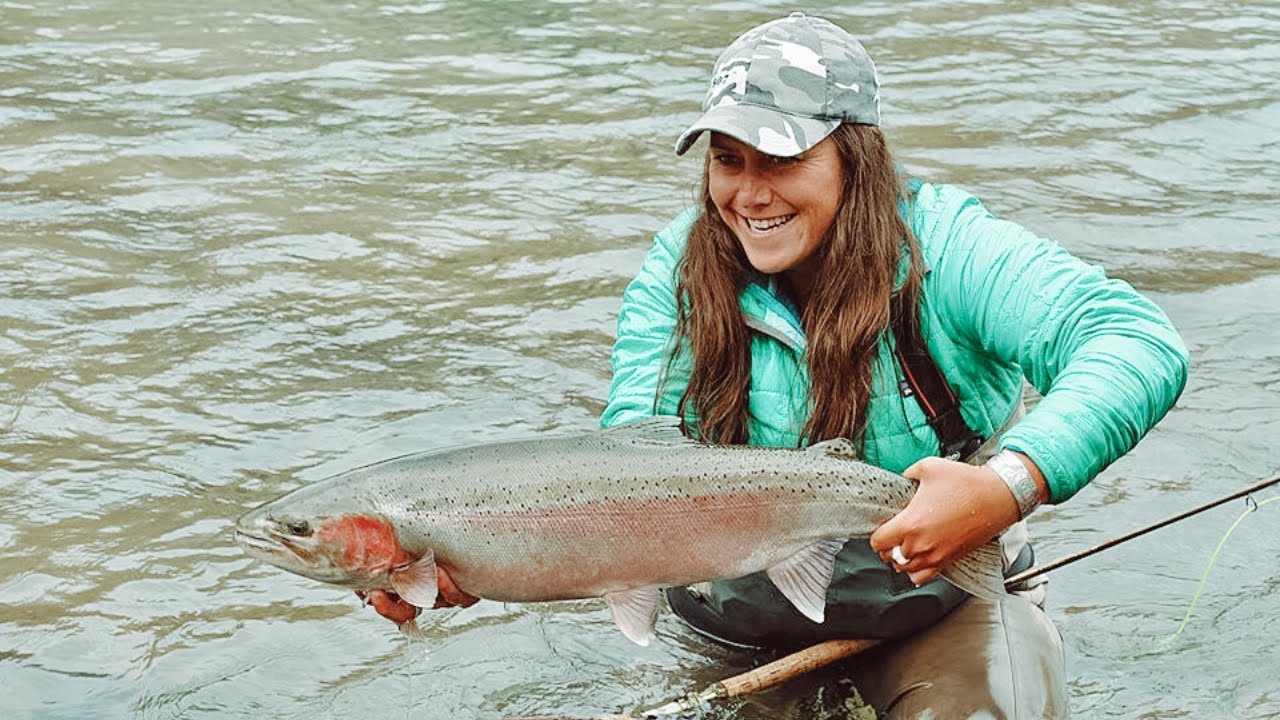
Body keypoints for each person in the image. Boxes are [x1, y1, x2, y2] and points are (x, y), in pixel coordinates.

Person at [367, 13, 1189, 718]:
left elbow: (1134, 341)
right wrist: (490, 560)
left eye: (781, 159)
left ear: (853, 158)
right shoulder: (675, 272)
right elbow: (624, 459)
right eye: (728, 160)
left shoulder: (948, 250)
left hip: (933, 609)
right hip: (729, 627)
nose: (750, 195)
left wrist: (1008, 484)